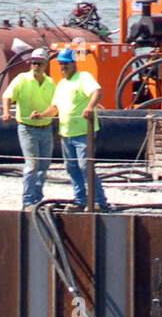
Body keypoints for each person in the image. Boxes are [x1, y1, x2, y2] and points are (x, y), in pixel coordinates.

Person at [40, 48, 111, 210]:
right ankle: (80, 201)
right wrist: (42, 116)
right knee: (72, 168)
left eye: (65, 64)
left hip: (83, 133)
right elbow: (54, 107)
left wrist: (90, 107)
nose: (62, 67)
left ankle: (99, 201)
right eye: (60, 64)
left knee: (85, 166)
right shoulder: (62, 84)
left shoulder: (83, 78)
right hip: (66, 134)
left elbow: (97, 92)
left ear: (73, 64)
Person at [1, 49, 56, 208]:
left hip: (46, 128)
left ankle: (37, 198)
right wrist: (5, 112)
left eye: (39, 63)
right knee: (32, 165)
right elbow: (7, 96)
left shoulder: (50, 83)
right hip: (27, 128)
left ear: (45, 65)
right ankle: (27, 200)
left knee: (44, 166)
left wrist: (42, 115)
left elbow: (55, 105)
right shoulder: (22, 79)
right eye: (33, 63)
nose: (35, 66)